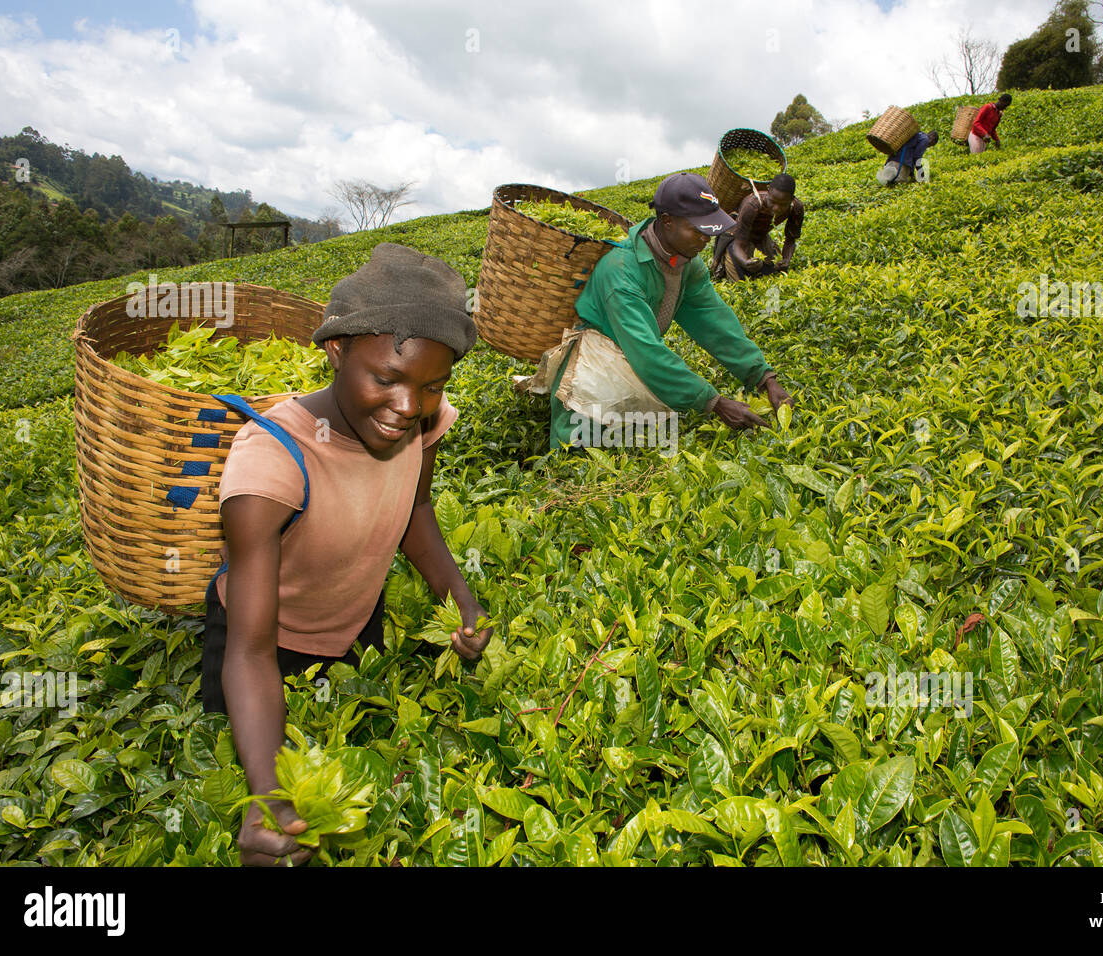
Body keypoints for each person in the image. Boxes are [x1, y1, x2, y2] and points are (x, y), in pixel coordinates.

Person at [203, 242, 492, 866]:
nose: (407, 407)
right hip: (264, 639)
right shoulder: (270, 462)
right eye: (386, 379)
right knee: (248, 736)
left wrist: (462, 604)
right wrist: (268, 798)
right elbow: (249, 651)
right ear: (336, 351)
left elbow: (415, 511)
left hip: (357, 616)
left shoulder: (423, 420)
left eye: (431, 385)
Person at [523, 172, 793, 451]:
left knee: (643, 447)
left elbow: (713, 320)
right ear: (666, 221)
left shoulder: (688, 263)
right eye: (697, 230)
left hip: (635, 363)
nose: (705, 240)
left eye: (709, 231)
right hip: (597, 368)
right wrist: (715, 403)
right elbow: (648, 353)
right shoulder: (621, 272)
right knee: (580, 453)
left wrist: (762, 376)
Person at [710, 172, 805, 281]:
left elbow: (790, 239)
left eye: (783, 204)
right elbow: (738, 244)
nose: (776, 208)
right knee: (739, 280)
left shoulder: (796, 207)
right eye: (773, 202)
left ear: (791, 199)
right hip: (734, 237)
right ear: (768, 193)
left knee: (773, 274)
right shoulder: (753, 204)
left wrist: (786, 259)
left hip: (760, 237)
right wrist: (745, 262)